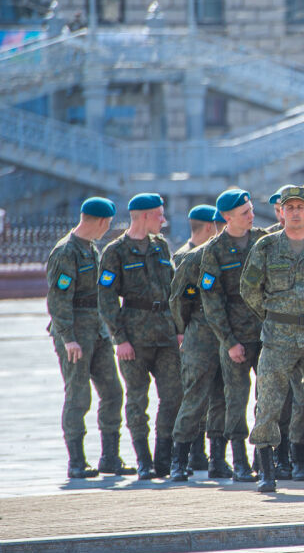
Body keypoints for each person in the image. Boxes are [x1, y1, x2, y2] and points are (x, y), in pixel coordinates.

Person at [240, 185, 304, 493]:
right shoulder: (266, 246)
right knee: (270, 402)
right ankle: (266, 470)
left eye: (302, 206)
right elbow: (249, 288)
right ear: (281, 212)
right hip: (278, 336)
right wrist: (274, 314)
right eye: (290, 207)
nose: (296, 212)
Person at [98, 192, 182, 480]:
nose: (164, 220)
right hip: (134, 337)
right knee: (137, 399)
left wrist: (179, 329)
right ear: (144, 216)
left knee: (173, 396)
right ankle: (143, 459)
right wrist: (119, 338)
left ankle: (163, 457)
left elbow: (172, 290)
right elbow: (107, 299)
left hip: (165, 334)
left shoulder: (161, 246)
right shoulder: (115, 251)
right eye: (159, 214)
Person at [46, 197, 127, 478]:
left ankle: (110, 457)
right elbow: (58, 301)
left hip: (97, 330)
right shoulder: (66, 252)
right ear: (103, 222)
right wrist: (68, 338)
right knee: (78, 395)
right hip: (75, 334)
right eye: (108, 224)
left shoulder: (91, 248)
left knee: (113, 392)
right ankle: (77, 462)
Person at [200, 189, 268, 482]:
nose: (251, 216)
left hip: (266, 334)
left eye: (252, 210)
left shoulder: (264, 241)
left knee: (267, 397)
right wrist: (229, 342)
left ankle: (263, 458)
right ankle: (238, 460)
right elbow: (212, 303)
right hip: (236, 336)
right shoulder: (214, 251)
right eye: (245, 213)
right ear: (227, 217)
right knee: (235, 399)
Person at [169, 204, 232, 480]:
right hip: (200, 335)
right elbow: (178, 300)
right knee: (194, 397)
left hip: (226, 335)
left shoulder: (233, 256)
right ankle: (179, 460)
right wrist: (185, 328)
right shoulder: (193, 258)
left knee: (223, 398)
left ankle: (218, 458)